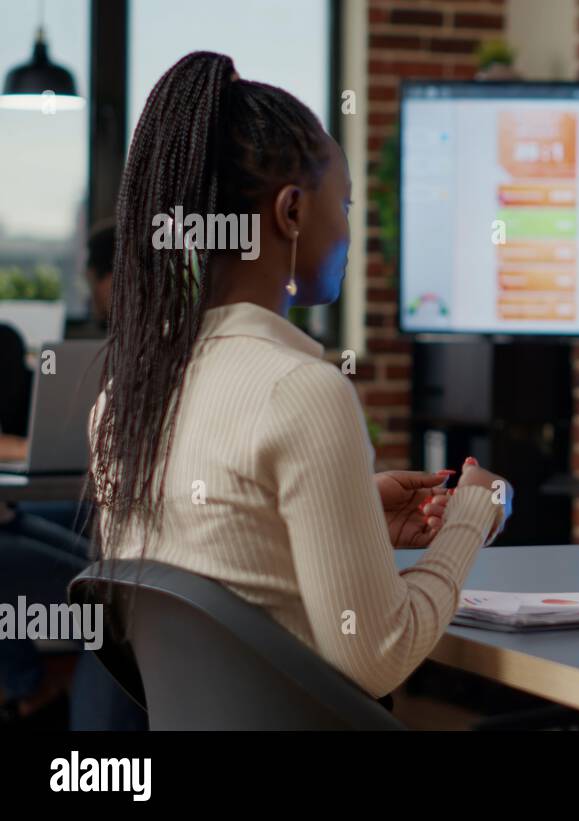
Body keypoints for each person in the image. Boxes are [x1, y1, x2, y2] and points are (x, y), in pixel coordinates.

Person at [88, 51, 511, 709]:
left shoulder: (124, 399)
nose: (348, 229)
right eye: (341, 203)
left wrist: (351, 507)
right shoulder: (300, 390)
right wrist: (469, 519)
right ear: (290, 212)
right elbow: (380, 653)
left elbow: (218, 567)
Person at [1, 224, 147, 730]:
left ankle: (41, 692)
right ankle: (35, 692)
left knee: (106, 577)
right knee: (106, 599)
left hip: (9, 514)